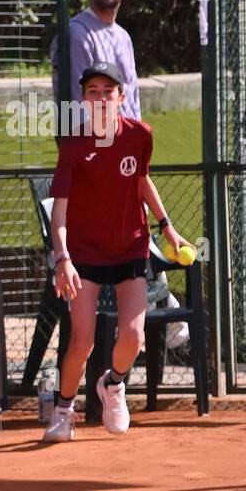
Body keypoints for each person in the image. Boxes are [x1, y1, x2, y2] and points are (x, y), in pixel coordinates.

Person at [42, 60, 192, 443]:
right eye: (93, 92)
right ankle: (63, 411)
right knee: (82, 341)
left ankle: (113, 384)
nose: (101, 98)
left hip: (130, 247)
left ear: (121, 98)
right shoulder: (73, 145)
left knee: (133, 336)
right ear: (83, 100)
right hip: (85, 255)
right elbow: (59, 210)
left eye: (109, 92)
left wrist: (167, 227)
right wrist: (63, 259)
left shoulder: (139, 135)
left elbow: (142, 181)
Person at [51, 0, 142, 129]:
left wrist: (137, 136)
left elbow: (132, 96)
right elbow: (79, 102)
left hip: (128, 141)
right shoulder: (77, 33)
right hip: (95, 143)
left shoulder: (124, 37)